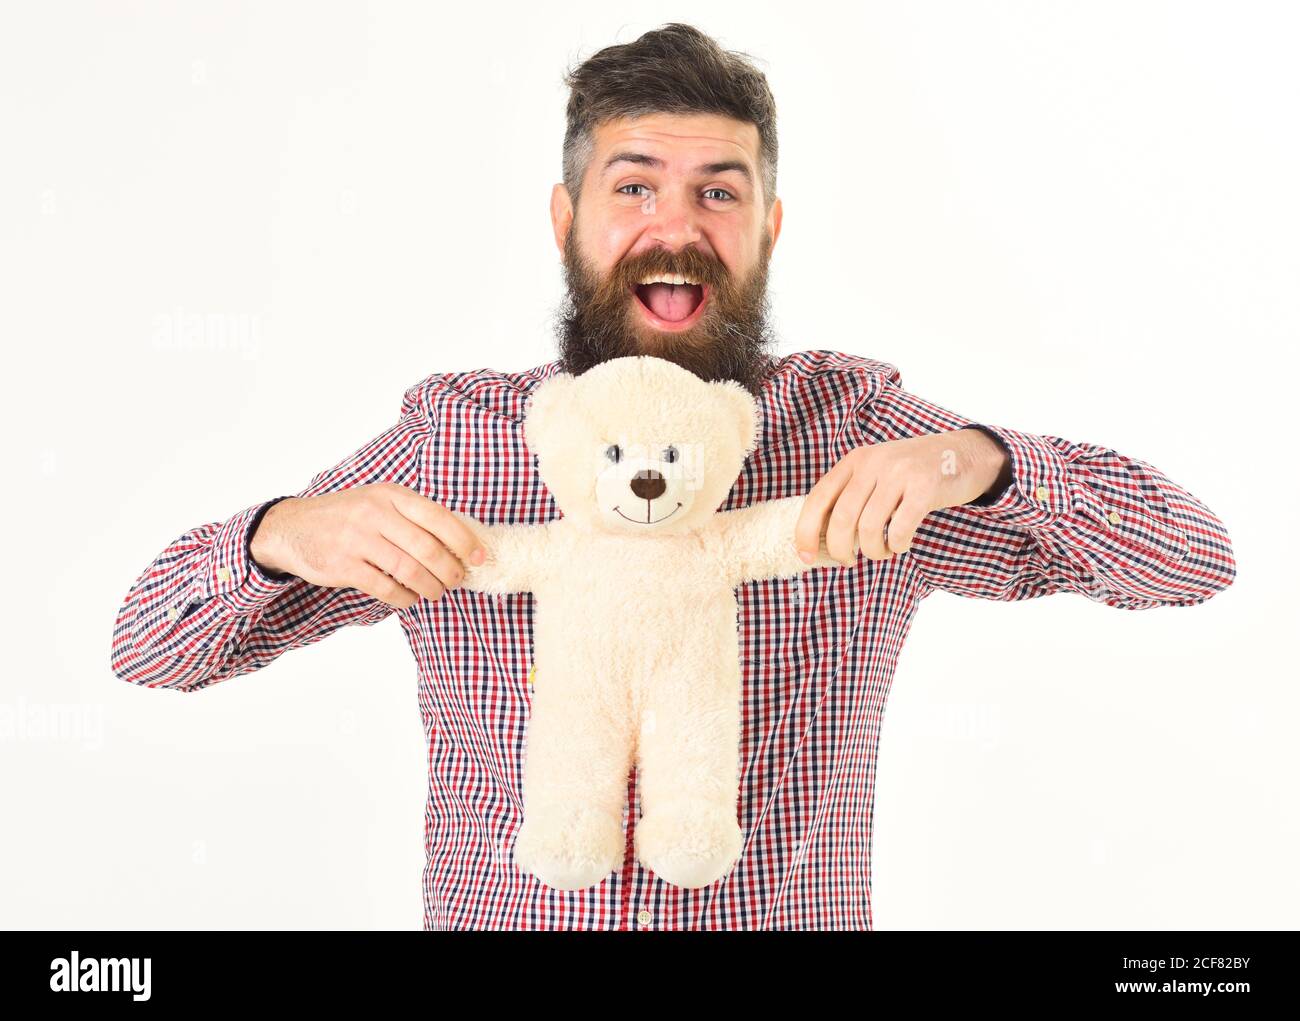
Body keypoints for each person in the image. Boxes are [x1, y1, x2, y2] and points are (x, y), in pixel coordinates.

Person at [110, 23, 1236, 930]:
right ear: (567, 220)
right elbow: (149, 647)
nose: (676, 227)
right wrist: (275, 534)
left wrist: (979, 463)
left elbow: (1192, 558)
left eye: (719, 191)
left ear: (768, 228)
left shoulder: (857, 437)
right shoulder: (455, 443)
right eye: (635, 187)